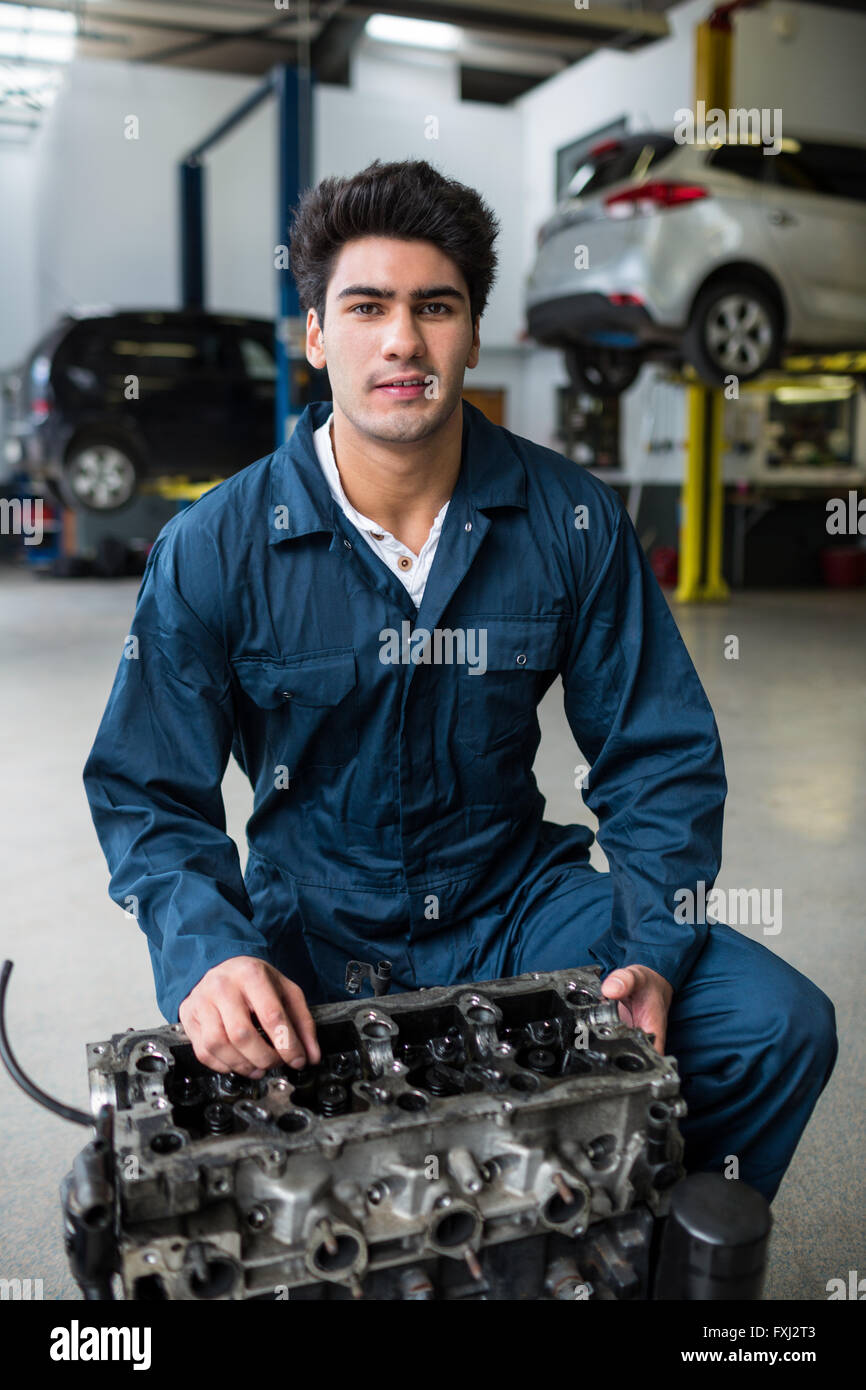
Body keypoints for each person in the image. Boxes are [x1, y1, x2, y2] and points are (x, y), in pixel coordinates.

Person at [83, 159, 836, 1204]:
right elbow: (147, 790)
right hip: (315, 925)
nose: (401, 340)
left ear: (473, 333)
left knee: (773, 1024)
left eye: (433, 307)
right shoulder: (214, 544)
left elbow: (656, 756)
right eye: (366, 307)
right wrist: (207, 956)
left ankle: (632, 1253)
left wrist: (650, 951)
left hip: (513, 903)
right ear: (316, 336)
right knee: (222, 1152)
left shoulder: (567, 519)